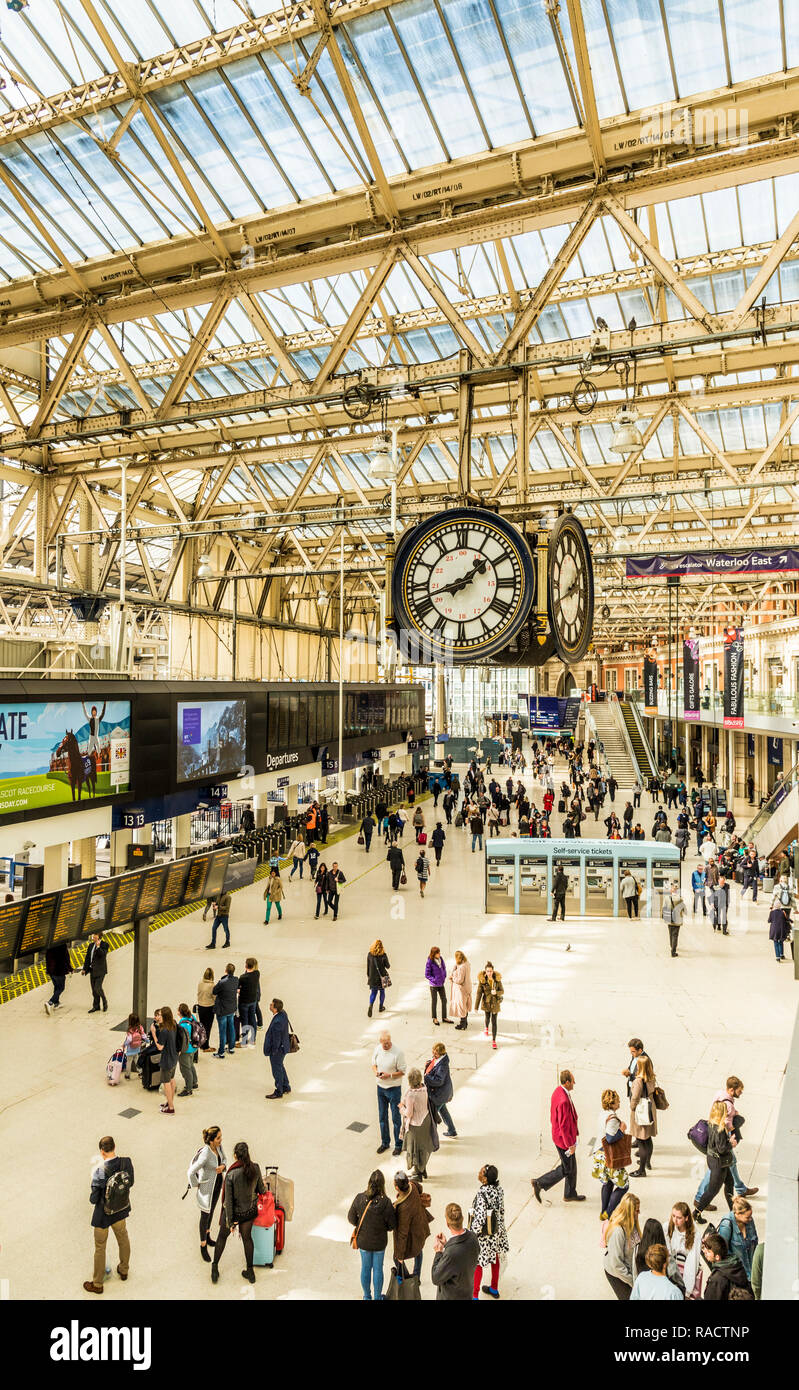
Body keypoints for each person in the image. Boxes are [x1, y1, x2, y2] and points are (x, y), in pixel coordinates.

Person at [83, 1135, 134, 1295]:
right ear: (114, 1147)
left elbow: (93, 1199)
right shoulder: (126, 1162)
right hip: (120, 1210)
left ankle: (97, 1284)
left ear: (101, 1152)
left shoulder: (99, 1171)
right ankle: (124, 1270)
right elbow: (130, 1182)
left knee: (100, 1247)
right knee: (123, 1238)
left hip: (103, 1215)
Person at [211, 1140, 265, 1286]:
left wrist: (230, 1222)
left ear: (235, 1156)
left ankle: (215, 1267)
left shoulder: (231, 1175)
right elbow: (262, 1190)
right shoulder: (256, 1168)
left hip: (234, 1214)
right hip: (249, 1212)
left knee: (222, 1237)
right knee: (247, 1239)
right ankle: (250, 1272)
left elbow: (228, 1202)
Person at [531, 1069, 584, 1203]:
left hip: (559, 1136)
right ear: (566, 1082)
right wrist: (570, 1145)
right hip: (564, 1141)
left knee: (572, 1167)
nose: (574, 1083)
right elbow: (564, 1127)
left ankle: (570, 1193)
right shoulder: (563, 1101)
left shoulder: (558, 1091)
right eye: (572, 1081)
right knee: (567, 1169)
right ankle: (540, 1183)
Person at [348, 1170, 397, 1301]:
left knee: (365, 1268)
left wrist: (360, 1225)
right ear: (383, 1185)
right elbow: (392, 1225)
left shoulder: (359, 1198)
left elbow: (351, 1218)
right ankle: (377, 1297)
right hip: (379, 1243)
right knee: (378, 1270)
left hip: (363, 1241)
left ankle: (366, 1296)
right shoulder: (386, 1202)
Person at [470, 1164, 510, 1299]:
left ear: (485, 1179)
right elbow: (502, 1210)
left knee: (478, 1262)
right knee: (495, 1258)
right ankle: (494, 1288)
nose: (479, 1172)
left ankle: (474, 1295)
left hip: (485, 1235)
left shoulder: (482, 1193)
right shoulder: (499, 1189)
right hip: (497, 1231)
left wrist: (472, 1233)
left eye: (481, 1172)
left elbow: (480, 1218)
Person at [188, 1124, 226, 1263]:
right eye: (218, 1138)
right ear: (211, 1140)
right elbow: (191, 1171)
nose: (221, 1139)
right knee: (205, 1215)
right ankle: (203, 1244)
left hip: (216, 1185)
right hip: (206, 1190)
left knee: (211, 1211)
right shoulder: (205, 1154)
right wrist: (196, 1184)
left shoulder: (218, 1147)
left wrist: (223, 1167)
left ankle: (208, 1235)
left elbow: (225, 1160)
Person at [694, 1100, 736, 1222]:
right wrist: (731, 1143)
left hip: (713, 1159)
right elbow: (722, 1148)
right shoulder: (720, 1128)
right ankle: (697, 1213)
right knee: (712, 1191)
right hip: (719, 1163)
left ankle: (733, 1211)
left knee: (730, 1182)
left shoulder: (711, 1123)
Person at [591, 1089, 629, 1220]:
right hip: (609, 1156)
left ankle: (603, 1211)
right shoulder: (612, 1119)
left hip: (599, 1153)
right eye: (618, 1100)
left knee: (607, 1183)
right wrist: (622, 1130)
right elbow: (610, 1138)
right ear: (612, 1103)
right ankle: (609, 1211)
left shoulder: (602, 1114)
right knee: (623, 1185)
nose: (619, 1102)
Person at [431, 1203, 480, 1301]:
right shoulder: (473, 1237)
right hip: (467, 1292)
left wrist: (438, 1252)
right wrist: (447, 1245)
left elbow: (436, 1278)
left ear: (447, 1224)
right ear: (462, 1218)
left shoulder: (451, 1253)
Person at [392, 1172, 432, 1284]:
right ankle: (417, 1277)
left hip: (412, 1232)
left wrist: (399, 1255)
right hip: (420, 1225)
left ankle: (410, 1280)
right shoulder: (412, 1185)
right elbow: (420, 1188)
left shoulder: (403, 1208)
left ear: (396, 1187)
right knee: (419, 1250)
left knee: (396, 1258)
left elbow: (403, 1233)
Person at [400, 1068, 437, 1180]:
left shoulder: (411, 1095)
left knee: (414, 1149)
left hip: (415, 1125)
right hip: (426, 1121)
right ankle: (422, 1169)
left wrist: (401, 1108)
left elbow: (409, 1113)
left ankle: (418, 1173)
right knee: (423, 1147)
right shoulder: (424, 1088)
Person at [603, 1192, 641, 1300]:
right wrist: (632, 1281)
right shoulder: (618, 1232)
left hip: (628, 1270)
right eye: (637, 1210)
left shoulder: (632, 1224)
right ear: (629, 1212)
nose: (639, 1212)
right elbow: (616, 1264)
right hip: (617, 1274)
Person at [373, 1031, 405, 1156]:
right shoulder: (378, 1049)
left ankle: (398, 1144)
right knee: (382, 1117)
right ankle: (385, 1142)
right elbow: (373, 1064)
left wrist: (390, 1075)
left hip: (393, 1089)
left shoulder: (398, 1053)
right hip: (380, 1087)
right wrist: (376, 1072)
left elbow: (402, 1071)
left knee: (396, 1118)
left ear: (390, 1041)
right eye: (383, 1044)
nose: (385, 1046)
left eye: (387, 1044)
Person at [701, 1230, 754, 1300]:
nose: (705, 1253)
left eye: (708, 1252)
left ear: (717, 1257)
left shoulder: (716, 1279)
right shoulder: (736, 1265)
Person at [666, 1203, 703, 1299]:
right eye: (673, 1216)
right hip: (672, 1271)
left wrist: (687, 1291)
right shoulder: (667, 1227)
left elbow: (692, 1264)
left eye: (679, 1217)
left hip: (686, 1271)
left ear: (686, 1218)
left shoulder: (695, 1234)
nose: (675, 1220)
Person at [629, 1053, 657, 1175]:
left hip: (641, 1112)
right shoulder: (651, 1078)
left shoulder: (638, 1081)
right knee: (648, 1139)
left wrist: (632, 1107)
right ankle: (647, 1162)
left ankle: (641, 1171)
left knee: (641, 1140)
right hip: (650, 1110)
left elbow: (635, 1098)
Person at [718, 1198, 758, 1280]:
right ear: (738, 1214)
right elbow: (722, 1251)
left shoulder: (749, 1221)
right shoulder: (726, 1225)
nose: (750, 1219)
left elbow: (755, 1244)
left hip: (751, 1273)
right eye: (748, 1217)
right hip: (737, 1274)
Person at [149, 1005, 179, 1114]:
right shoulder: (174, 1024)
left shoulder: (165, 1031)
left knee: (166, 1083)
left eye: (160, 1014)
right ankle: (169, 1101)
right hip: (174, 1057)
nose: (159, 1017)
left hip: (167, 1060)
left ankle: (170, 1108)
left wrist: (153, 1033)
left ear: (165, 1016)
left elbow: (160, 1047)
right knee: (172, 1079)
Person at [424, 1041, 456, 1137]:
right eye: (433, 1052)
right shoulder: (439, 1060)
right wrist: (427, 1066)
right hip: (443, 1093)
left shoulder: (442, 1065)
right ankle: (452, 1130)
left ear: (441, 1054)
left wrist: (427, 1077)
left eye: (436, 1054)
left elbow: (439, 1081)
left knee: (432, 1116)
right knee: (443, 1111)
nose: (434, 1055)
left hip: (440, 1095)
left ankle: (433, 1138)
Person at [263, 997, 291, 1099]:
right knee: (280, 1066)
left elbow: (276, 1040)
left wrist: (274, 1051)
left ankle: (279, 1091)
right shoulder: (283, 1013)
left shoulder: (277, 1022)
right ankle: (286, 1086)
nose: (270, 1005)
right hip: (284, 1047)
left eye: (271, 1004)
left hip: (278, 1050)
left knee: (276, 1070)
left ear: (275, 1009)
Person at [212, 962, 238, 1060]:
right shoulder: (236, 980)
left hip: (222, 1010)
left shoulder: (222, 982)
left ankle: (221, 1051)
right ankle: (231, 1047)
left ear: (226, 971)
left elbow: (214, 991)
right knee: (231, 1027)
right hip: (231, 1009)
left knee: (222, 1031)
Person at [474, 961, 503, 1049]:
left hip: (495, 1004)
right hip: (486, 1004)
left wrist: (496, 992)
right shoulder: (482, 981)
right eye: (488, 971)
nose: (489, 973)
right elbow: (479, 994)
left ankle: (494, 1040)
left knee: (494, 1022)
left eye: (491, 971)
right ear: (485, 971)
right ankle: (486, 1027)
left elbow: (502, 991)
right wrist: (476, 1007)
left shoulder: (497, 980)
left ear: (493, 971)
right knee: (487, 1018)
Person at [176, 1003, 199, 1096]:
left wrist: (178, 1050)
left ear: (180, 1013)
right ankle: (194, 1082)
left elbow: (181, 1040)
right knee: (190, 1065)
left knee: (185, 1069)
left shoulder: (182, 1025)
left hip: (186, 1050)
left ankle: (188, 1089)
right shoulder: (192, 1017)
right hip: (194, 1047)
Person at [237, 958, 260, 1048]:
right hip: (253, 1001)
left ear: (246, 965)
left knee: (245, 1021)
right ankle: (253, 1040)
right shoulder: (257, 973)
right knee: (252, 1019)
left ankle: (244, 1041)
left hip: (244, 1002)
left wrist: (240, 990)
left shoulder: (243, 977)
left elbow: (238, 988)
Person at [83, 932, 108, 1013]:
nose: (93, 938)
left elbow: (103, 954)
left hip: (100, 970)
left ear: (99, 938)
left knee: (98, 987)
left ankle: (104, 1001)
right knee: (94, 990)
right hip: (92, 970)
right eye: (93, 937)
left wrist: (98, 947)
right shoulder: (90, 946)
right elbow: (87, 958)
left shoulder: (104, 945)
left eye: (94, 937)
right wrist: (84, 969)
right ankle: (96, 1006)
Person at [44, 940, 71, 1014]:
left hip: (51, 971)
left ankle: (56, 1003)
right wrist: (70, 969)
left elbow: (47, 957)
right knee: (61, 988)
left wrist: (48, 970)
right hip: (59, 971)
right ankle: (50, 1002)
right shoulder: (62, 945)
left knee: (56, 987)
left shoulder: (49, 945)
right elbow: (66, 958)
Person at [769, 875, 792, 962]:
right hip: (787, 908)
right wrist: (796, 909)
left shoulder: (777, 887)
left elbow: (773, 897)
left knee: (776, 939)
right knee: (785, 922)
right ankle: (786, 934)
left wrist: (771, 905)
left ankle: (778, 956)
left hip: (780, 907)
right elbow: (792, 899)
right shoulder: (789, 887)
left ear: (780, 880)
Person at [425, 946, 450, 1025]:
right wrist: (435, 980)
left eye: (439, 952)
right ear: (434, 954)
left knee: (444, 1000)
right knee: (434, 1001)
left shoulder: (441, 959)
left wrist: (444, 975)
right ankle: (434, 1018)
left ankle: (444, 1017)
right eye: (437, 953)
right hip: (434, 986)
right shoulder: (430, 962)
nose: (439, 954)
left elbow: (444, 967)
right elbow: (427, 974)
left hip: (441, 984)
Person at [449, 950, 472, 1031]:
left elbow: (460, 980)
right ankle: (465, 1022)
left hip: (462, 989)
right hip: (467, 987)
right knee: (465, 1005)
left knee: (462, 1006)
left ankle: (463, 1024)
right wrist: (455, 967)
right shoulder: (467, 963)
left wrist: (452, 978)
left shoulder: (462, 967)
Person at [367, 938, 391, 1018]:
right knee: (382, 992)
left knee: (373, 993)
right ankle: (381, 1007)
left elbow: (368, 967)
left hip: (372, 978)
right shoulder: (383, 955)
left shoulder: (369, 954)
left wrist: (369, 976)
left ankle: (371, 1005)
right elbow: (388, 966)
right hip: (382, 978)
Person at [662, 879, 686, 956]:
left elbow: (663, 907)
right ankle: (673, 951)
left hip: (669, 917)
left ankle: (672, 945)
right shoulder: (680, 899)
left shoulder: (666, 898)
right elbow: (684, 909)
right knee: (675, 934)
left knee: (670, 933)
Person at [196, 967, 216, 1052]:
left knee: (202, 1026)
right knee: (208, 1027)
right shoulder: (212, 985)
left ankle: (201, 1043)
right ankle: (206, 1046)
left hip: (201, 1006)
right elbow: (214, 997)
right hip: (209, 1008)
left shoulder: (200, 983)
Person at [121, 1013, 146, 1077]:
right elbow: (144, 1035)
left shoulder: (130, 1029)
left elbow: (129, 1040)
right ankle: (141, 1073)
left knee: (129, 1062)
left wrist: (124, 1044)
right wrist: (147, 1040)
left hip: (130, 1049)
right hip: (137, 1047)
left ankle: (127, 1075)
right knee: (137, 1060)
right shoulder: (140, 1027)